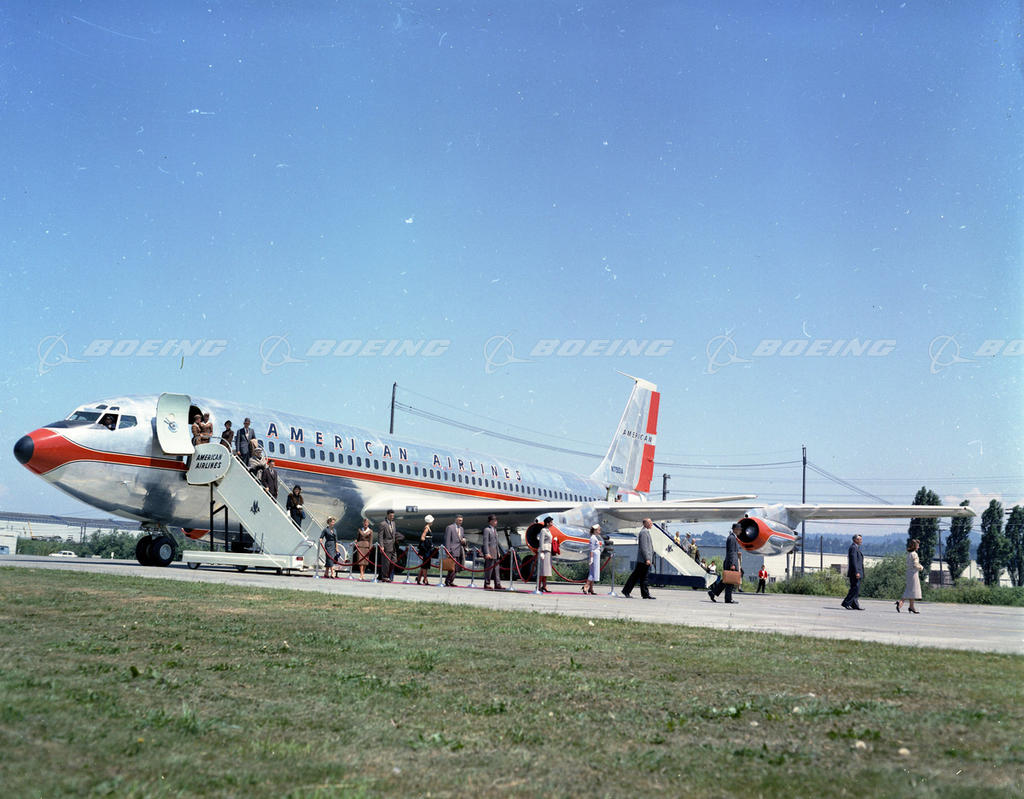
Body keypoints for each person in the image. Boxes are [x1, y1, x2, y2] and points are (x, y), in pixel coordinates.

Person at [708, 522, 741, 604]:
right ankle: (728, 599)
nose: (740, 531)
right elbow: (731, 552)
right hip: (731, 562)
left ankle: (714, 593)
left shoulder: (732, 538)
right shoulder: (732, 538)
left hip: (730, 561)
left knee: (727, 581)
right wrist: (733, 564)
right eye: (739, 530)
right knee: (729, 581)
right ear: (736, 530)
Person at [622, 518, 655, 599]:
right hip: (643, 560)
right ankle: (629, 591)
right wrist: (647, 558)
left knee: (640, 576)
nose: (652, 524)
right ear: (645, 524)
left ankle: (644, 594)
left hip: (644, 560)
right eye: (650, 523)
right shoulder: (644, 533)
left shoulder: (646, 532)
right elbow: (644, 547)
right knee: (640, 577)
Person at [897, 538, 924, 614]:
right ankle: (900, 603)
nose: (918, 546)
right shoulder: (914, 554)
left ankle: (911, 607)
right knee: (910, 590)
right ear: (915, 546)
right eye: (918, 545)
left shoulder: (909, 554)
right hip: (913, 574)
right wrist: (921, 567)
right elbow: (915, 564)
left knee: (912, 590)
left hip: (909, 573)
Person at [842, 534, 865, 610]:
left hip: (858, 572)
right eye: (859, 539)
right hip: (855, 573)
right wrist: (856, 572)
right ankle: (846, 603)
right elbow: (853, 561)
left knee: (856, 589)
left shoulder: (856, 548)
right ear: (855, 540)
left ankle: (855, 605)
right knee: (854, 588)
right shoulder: (853, 548)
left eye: (861, 539)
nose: (861, 541)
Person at [443, 515, 466, 586]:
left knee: (456, 568)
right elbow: (447, 540)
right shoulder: (450, 528)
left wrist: (464, 540)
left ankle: (451, 581)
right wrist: (447, 551)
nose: (460, 522)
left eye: (461, 520)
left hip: (459, 550)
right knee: (452, 567)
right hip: (452, 551)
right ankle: (448, 581)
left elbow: (462, 537)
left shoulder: (461, 529)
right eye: (459, 520)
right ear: (455, 520)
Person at [481, 515, 503, 590]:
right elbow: (485, 542)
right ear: (491, 521)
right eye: (495, 520)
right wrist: (486, 553)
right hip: (490, 552)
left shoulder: (494, 530)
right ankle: (487, 584)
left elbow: (496, 543)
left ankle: (497, 584)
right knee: (489, 569)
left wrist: (498, 552)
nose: (496, 522)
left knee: (496, 570)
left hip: (495, 552)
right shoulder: (487, 530)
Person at [377, 510, 398, 582]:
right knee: (386, 562)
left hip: (393, 546)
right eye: (391, 516)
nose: (392, 517)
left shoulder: (393, 523)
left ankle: (388, 575)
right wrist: (381, 546)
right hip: (386, 545)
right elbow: (380, 536)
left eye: (393, 516)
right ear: (387, 515)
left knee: (394, 561)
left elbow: (394, 534)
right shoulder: (382, 524)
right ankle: (384, 577)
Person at [583, 524, 602, 595]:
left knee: (594, 572)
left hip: (596, 556)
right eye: (598, 529)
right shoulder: (593, 538)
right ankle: (586, 586)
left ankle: (591, 588)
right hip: (594, 556)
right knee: (592, 572)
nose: (600, 530)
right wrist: (591, 558)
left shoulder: (595, 537)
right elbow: (591, 549)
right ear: (595, 530)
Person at [537, 516, 554, 593]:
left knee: (546, 570)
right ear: (547, 523)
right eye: (551, 522)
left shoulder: (548, 530)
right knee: (542, 570)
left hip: (548, 551)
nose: (552, 523)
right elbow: (541, 541)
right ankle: (538, 585)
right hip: (544, 551)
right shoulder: (543, 530)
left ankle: (544, 586)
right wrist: (541, 552)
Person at [416, 515, 435, 585]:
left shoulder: (428, 527)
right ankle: (425, 579)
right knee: (425, 565)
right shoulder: (427, 528)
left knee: (424, 564)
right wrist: (428, 543)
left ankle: (418, 579)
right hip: (427, 549)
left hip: (427, 549)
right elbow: (422, 537)